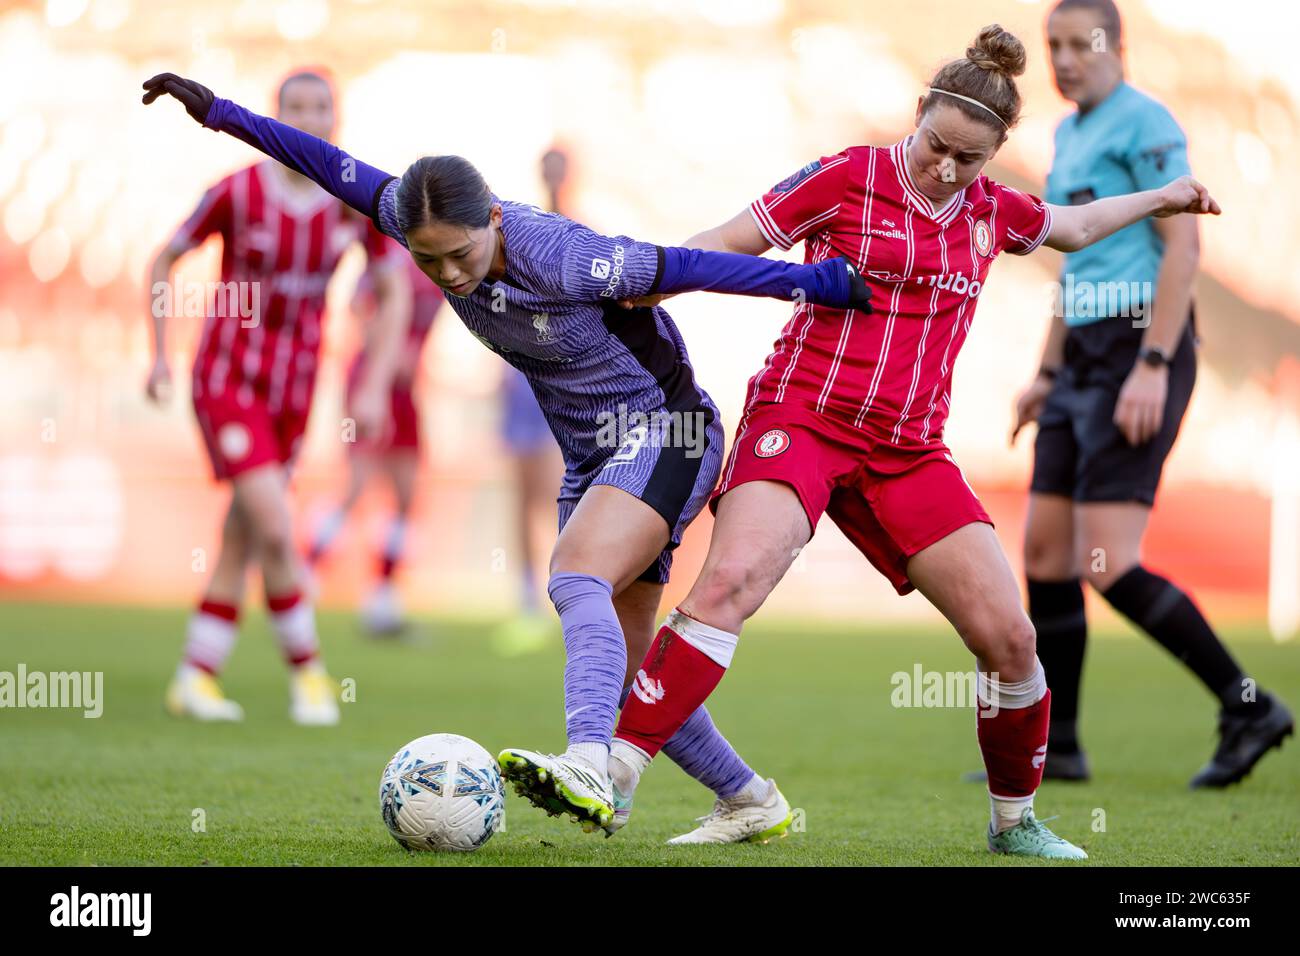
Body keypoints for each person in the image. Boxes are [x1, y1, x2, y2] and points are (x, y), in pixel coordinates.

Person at [142, 71, 873, 839]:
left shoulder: (565, 258)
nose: (450, 274)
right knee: (626, 665)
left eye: (460, 254)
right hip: (593, 455)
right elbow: (325, 163)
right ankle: (749, 798)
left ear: (493, 216)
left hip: (669, 431)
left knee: (575, 574)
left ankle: (589, 762)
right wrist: (218, 112)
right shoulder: (413, 215)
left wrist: (816, 282)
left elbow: (690, 267)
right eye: (430, 263)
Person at [586, 24, 1221, 858]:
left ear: (996, 155)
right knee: (731, 579)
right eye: (936, 147)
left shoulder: (993, 211)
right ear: (918, 113)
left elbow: (1073, 225)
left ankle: (1014, 823)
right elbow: (729, 242)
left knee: (1010, 639)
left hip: (909, 450)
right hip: (802, 418)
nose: (947, 169)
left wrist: (1162, 197)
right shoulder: (845, 176)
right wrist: (644, 280)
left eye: (970, 159)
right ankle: (613, 776)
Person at [1007, 0, 1292, 785]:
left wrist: (1155, 362)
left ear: (1116, 46)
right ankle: (1059, 747)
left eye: (1080, 44)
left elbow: (1184, 247)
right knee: (1045, 553)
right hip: (1079, 358)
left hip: (1137, 350)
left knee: (1106, 562)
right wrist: (1045, 371)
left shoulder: (1147, 122)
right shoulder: (1065, 136)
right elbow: (1074, 262)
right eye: (1054, 45)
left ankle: (1248, 705)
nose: (1064, 59)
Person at [147, 70, 409, 725]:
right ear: (276, 115)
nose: (308, 118)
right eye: (295, 107)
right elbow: (164, 260)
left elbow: (396, 289)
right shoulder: (236, 192)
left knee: (242, 534)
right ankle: (310, 674)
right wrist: (158, 354)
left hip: (296, 390)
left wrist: (375, 381)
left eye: (320, 107)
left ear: (335, 119)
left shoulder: (351, 202)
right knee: (273, 523)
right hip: (227, 379)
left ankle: (195, 676)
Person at [307, 243, 441, 636]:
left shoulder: (445, 260)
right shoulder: (391, 256)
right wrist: (385, 350)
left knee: (406, 494)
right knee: (358, 484)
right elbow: (357, 306)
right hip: (369, 381)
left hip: (404, 391)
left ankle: (382, 594)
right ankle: (304, 574)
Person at [490, 148, 568, 656]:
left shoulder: (576, 231)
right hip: (521, 378)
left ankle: (571, 591)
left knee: (562, 492)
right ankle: (526, 598)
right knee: (523, 494)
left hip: (561, 379)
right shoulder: (517, 230)